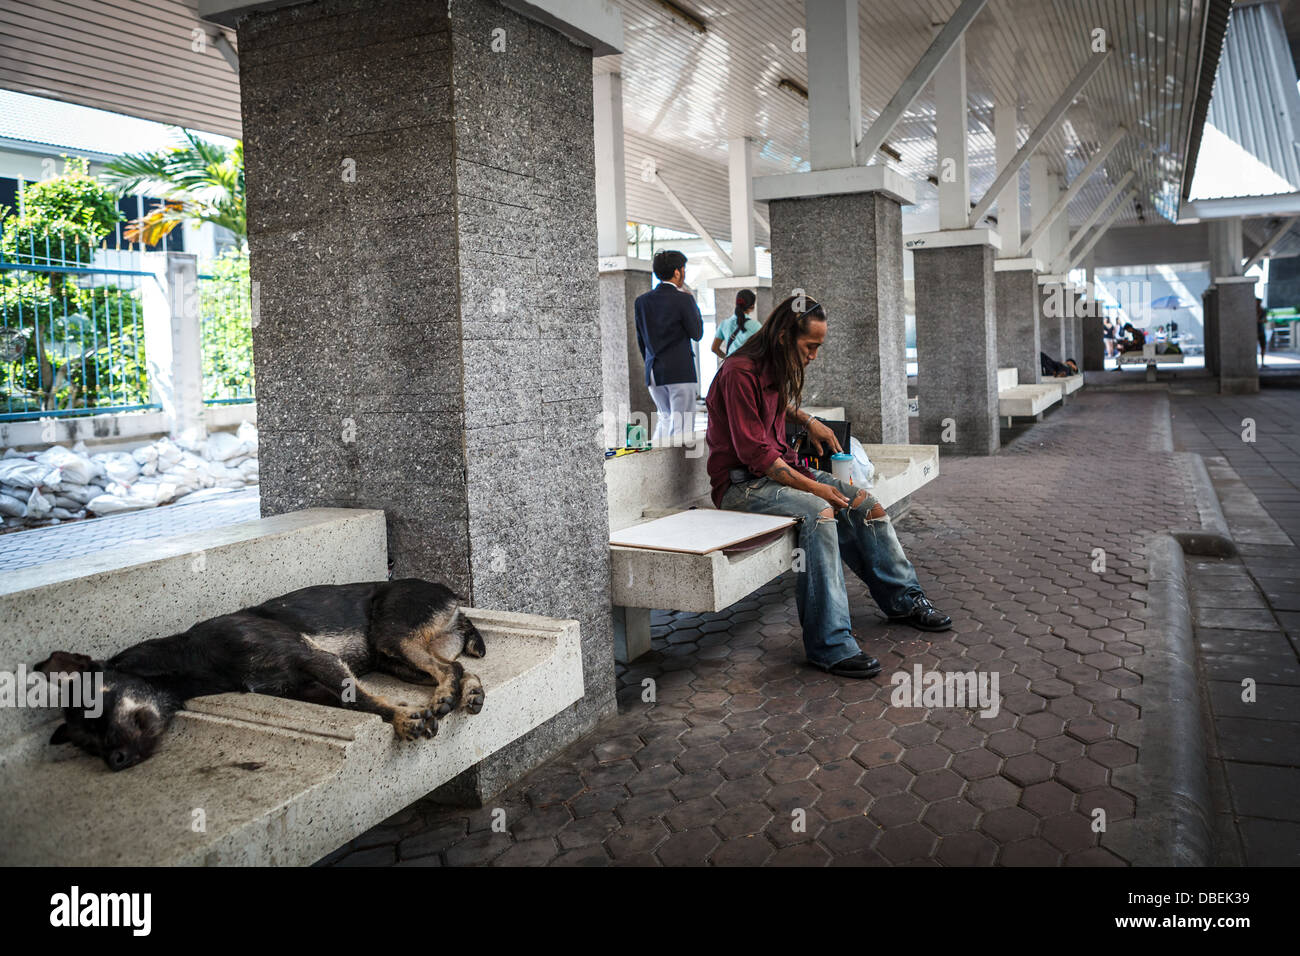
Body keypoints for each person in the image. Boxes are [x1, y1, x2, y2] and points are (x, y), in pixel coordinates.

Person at [705, 294, 951, 679]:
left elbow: (773, 404)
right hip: (743, 488)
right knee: (820, 514)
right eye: (811, 347)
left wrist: (808, 420)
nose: (814, 356)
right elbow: (759, 459)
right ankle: (829, 644)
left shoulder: (769, 364)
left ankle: (904, 600)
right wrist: (817, 491)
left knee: (866, 504)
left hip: (781, 471)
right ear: (786, 336)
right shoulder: (738, 372)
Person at [635, 250, 704, 442]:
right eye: (684, 269)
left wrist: (651, 364)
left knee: (665, 420)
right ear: (677, 272)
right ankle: (676, 471)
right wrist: (693, 305)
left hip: (653, 372)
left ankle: (656, 465)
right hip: (680, 371)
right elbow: (697, 334)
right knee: (681, 426)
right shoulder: (684, 299)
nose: (684, 273)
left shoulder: (642, 301)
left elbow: (641, 340)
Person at [711, 289, 761, 359]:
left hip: (730, 367)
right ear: (752, 306)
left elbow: (714, 348)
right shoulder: (756, 326)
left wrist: (727, 359)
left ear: (736, 304)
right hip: (748, 367)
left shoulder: (724, 324)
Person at [1258, 298, 1268, 367]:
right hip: (1255, 331)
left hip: (1261, 331)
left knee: (1263, 347)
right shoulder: (1252, 310)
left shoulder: (1263, 310)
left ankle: (1262, 363)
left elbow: (1265, 320)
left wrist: (1260, 320)